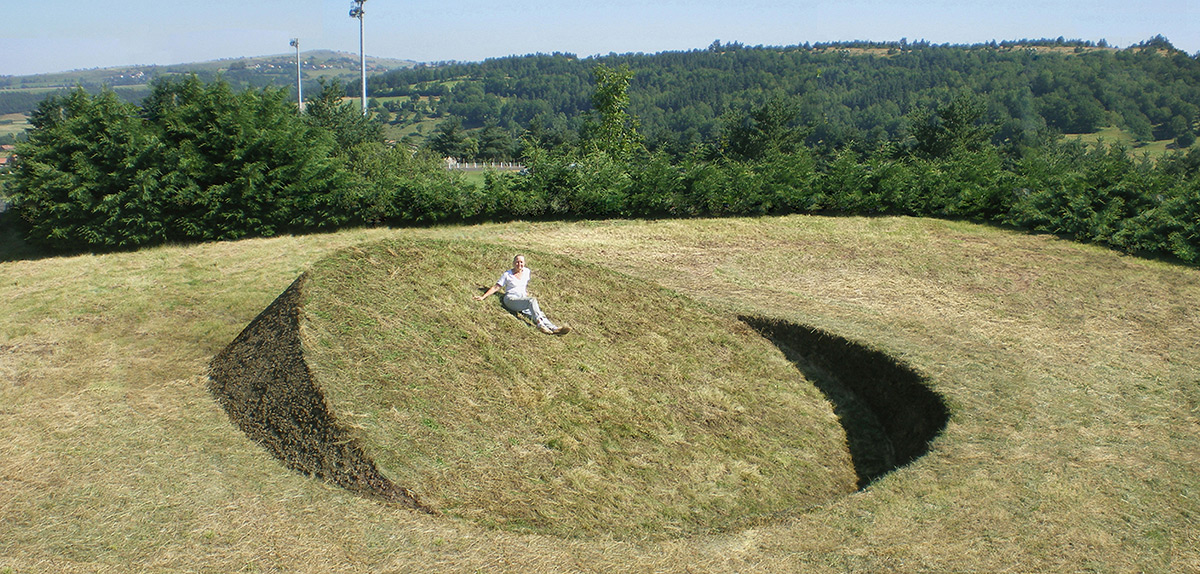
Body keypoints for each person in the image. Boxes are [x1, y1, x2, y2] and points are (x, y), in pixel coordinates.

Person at [474, 255, 570, 335]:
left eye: (521, 262)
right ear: (513, 263)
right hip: (511, 299)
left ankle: (554, 329)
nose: (519, 264)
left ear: (524, 263)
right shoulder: (507, 274)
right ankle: (540, 325)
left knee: (537, 312)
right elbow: (496, 287)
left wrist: (524, 293)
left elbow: (523, 285)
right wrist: (483, 297)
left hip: (522, 299)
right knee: (531, 300)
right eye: (517, 262)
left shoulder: (527, 272)